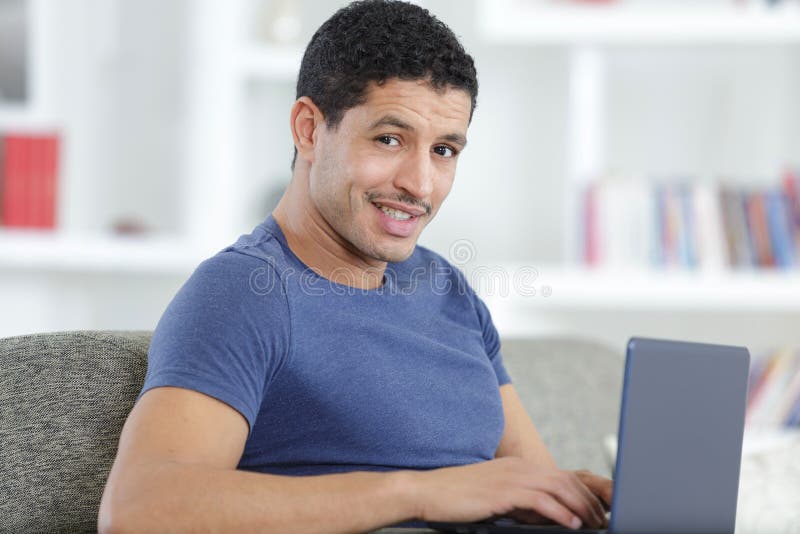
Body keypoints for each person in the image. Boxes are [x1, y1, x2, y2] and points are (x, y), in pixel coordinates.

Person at [98, 1, 613, 532]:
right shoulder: (245, 292)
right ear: (309, 129)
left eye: (443, 150)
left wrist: (573, 496)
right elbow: (140, 509)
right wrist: (421, 491)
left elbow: (528, 478)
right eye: (389, 139)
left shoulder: (446, 288)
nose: (420, 184)